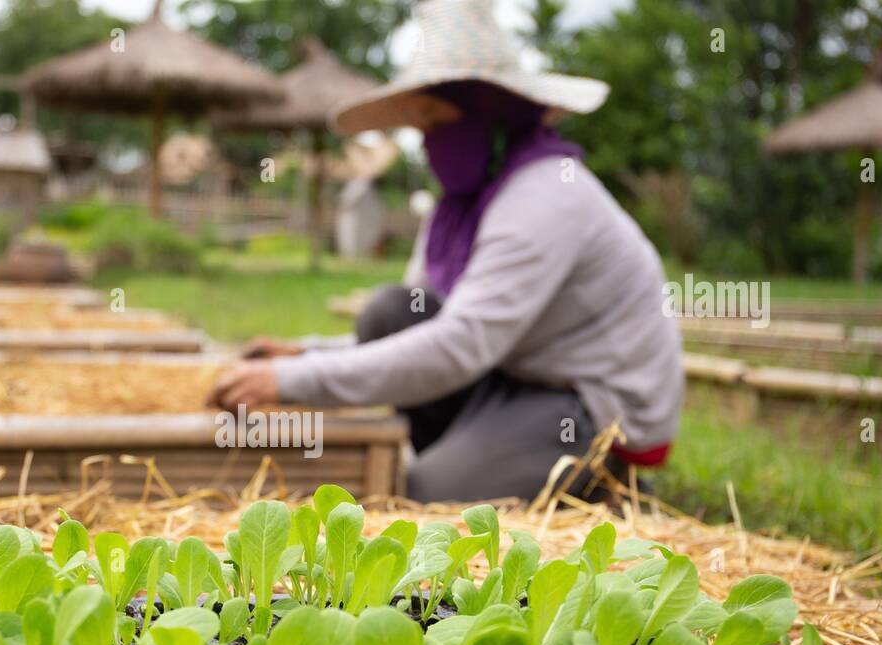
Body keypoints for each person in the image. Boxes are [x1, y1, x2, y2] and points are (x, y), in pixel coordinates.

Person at [211, 0, 684, 503]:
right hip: (515, 376)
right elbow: (433, 324)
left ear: (490, 112)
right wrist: (306, 353)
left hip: (589, 407)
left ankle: (598, 484)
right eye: (420, 127)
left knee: (429, 495)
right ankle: (488, 458)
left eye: (437, 121)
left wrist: (290, 382)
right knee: (392, 312)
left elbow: (461, 344)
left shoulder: (546, 194)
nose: (428, 141)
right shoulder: (460, 205)